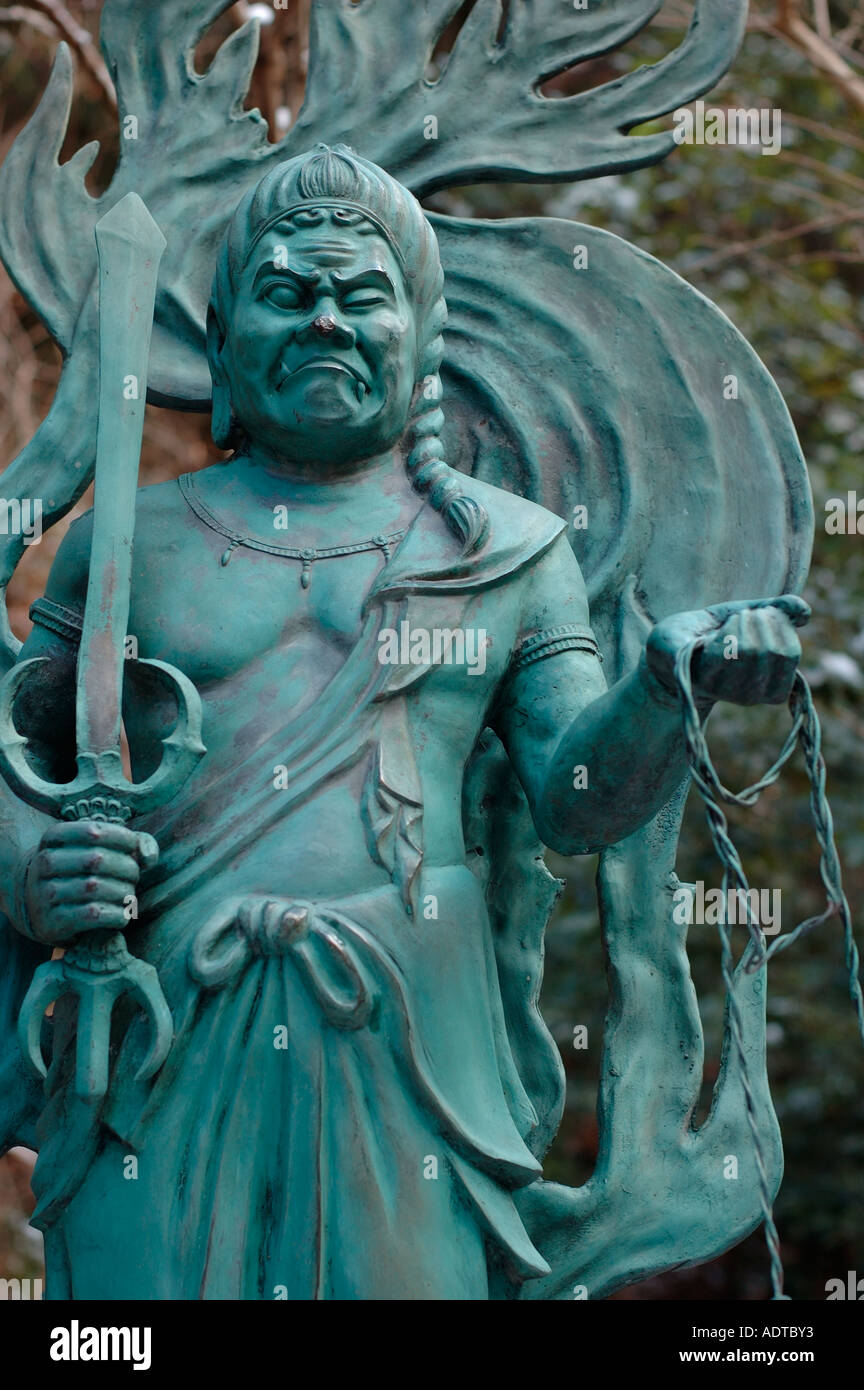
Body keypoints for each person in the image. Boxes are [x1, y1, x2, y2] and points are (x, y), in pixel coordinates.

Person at [8, 145, 806, 1300]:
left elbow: (576, 809)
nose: (324, 320)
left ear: (420, 335)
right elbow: (20, 760)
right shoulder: (135, 539)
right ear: (225, 336)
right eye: (286, 293)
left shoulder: (510, 550)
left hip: (410, 1038)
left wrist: (663, 691)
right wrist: (41, 872)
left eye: (360, 295)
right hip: (159, 1021)